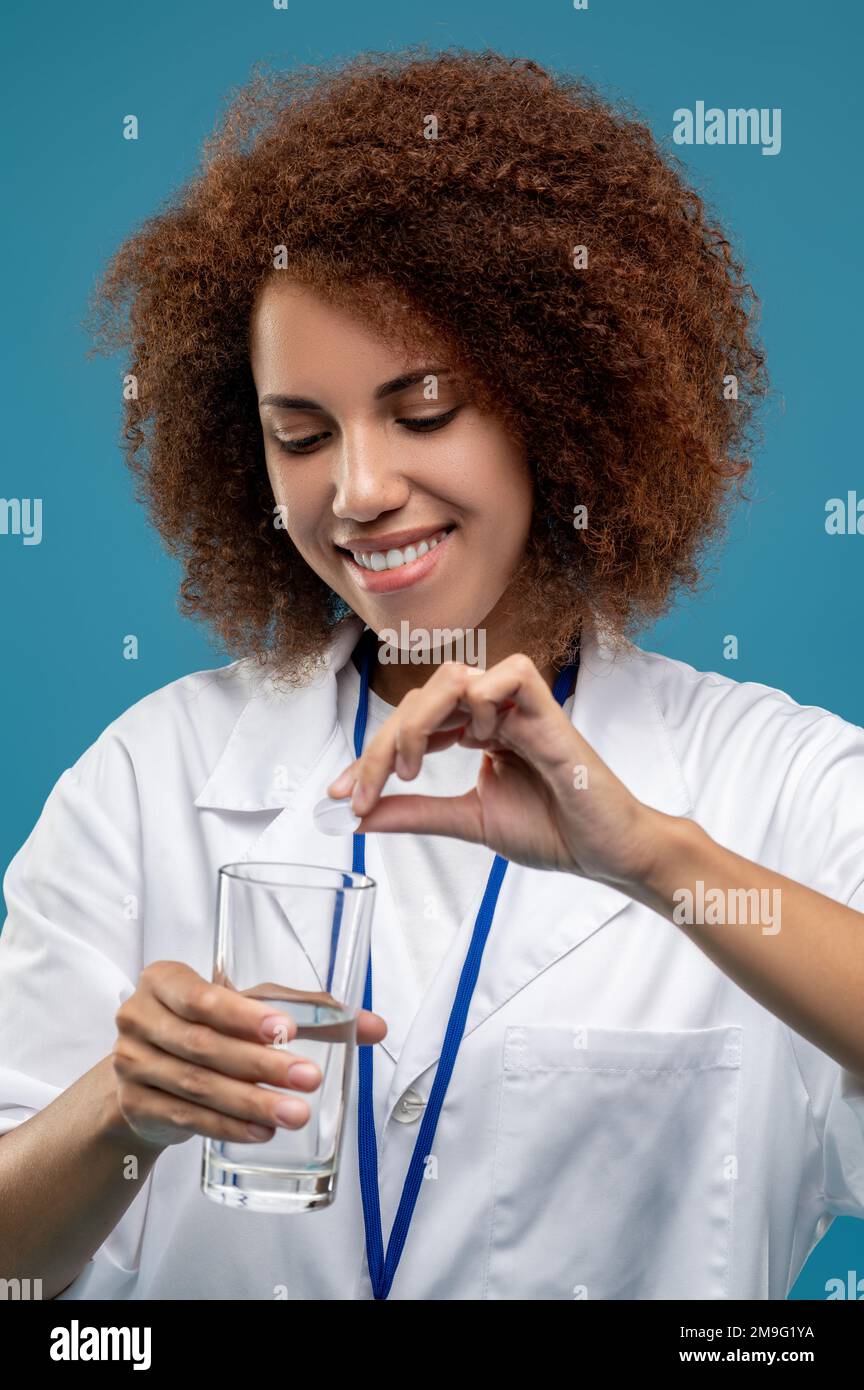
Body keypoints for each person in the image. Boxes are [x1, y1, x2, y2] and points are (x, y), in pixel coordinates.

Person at [1, 48, 862, 1302]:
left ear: (560, 404)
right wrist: (121, 1110)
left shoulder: (778, 784)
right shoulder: (147, 781)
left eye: (424, 411)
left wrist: (657, 861)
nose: (357, 491)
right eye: (301, 433)